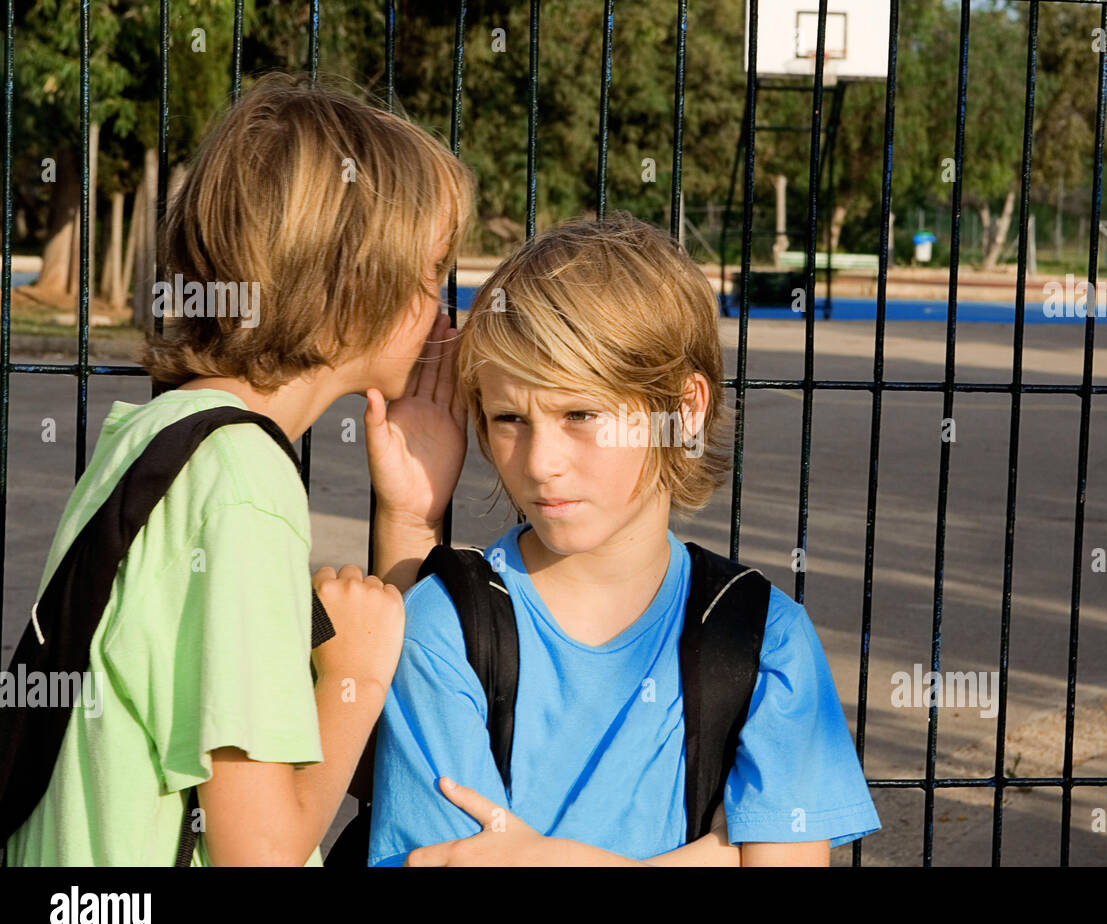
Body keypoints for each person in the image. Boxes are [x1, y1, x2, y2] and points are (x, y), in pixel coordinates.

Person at [3, 72, 475, 866]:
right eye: (432, 275)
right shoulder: (247, 487)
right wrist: (353, 675)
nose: (439, 309)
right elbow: (258, 850)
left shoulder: (163, 433)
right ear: (358, 289)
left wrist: (407, 513)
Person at [368, 213, 882, 866]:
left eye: (580, 414)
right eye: (509, 418)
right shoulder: (442, 629)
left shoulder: (764, 639)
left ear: (685, 410)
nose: (540, 461)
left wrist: (547, 860)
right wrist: (721, 854)